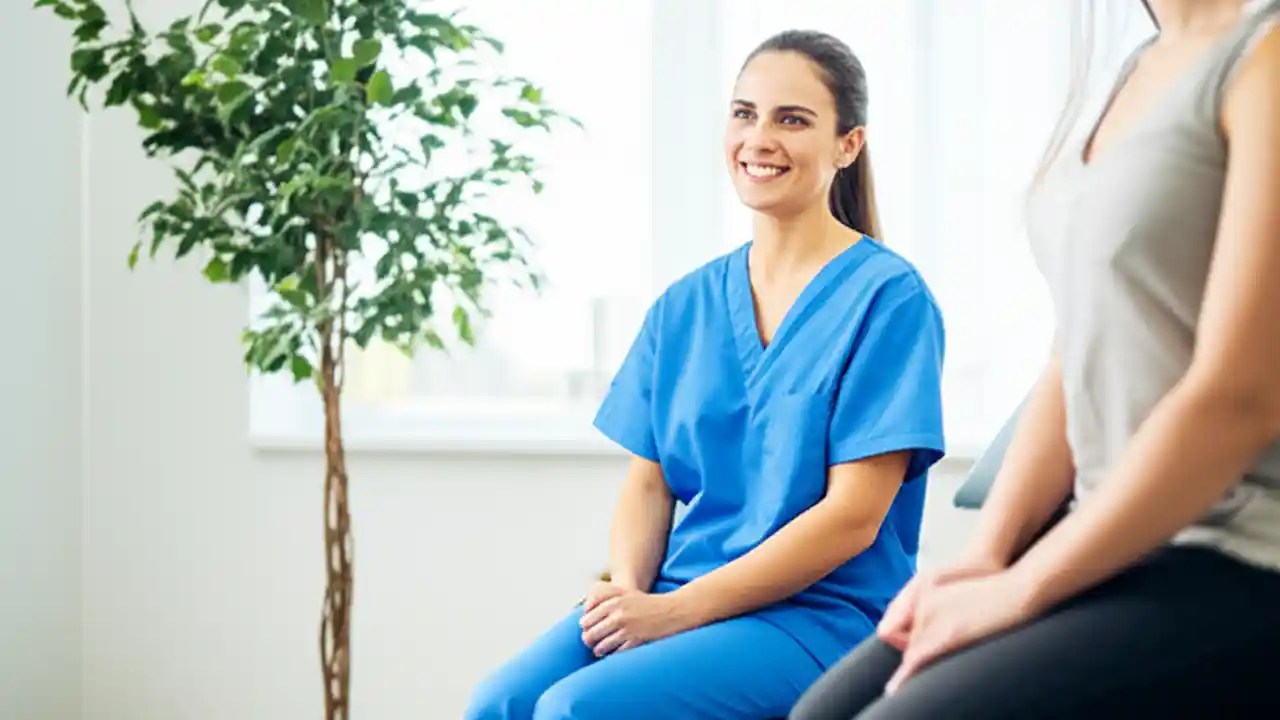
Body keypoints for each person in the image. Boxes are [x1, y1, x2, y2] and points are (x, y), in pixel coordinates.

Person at [789, 1, 1280, 718]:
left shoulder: (1261, 61)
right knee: (822, 713)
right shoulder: (1137, 67)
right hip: (1110, 536)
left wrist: (1020, 589)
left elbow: (1235, 398)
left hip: (1238, 548)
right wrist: (983, 560)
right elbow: (1076, 342)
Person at [464, 30, 946, 720]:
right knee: (500, 703)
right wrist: (633, 597)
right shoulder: (685, 305)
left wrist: (672, 614)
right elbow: (648, 479)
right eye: (744, 113)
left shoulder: (889, 299)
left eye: (793, 119)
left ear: (848, 144)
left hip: (818, 616)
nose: (760, 138)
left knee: (580, 710)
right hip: (674, 591)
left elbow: (853, 519)